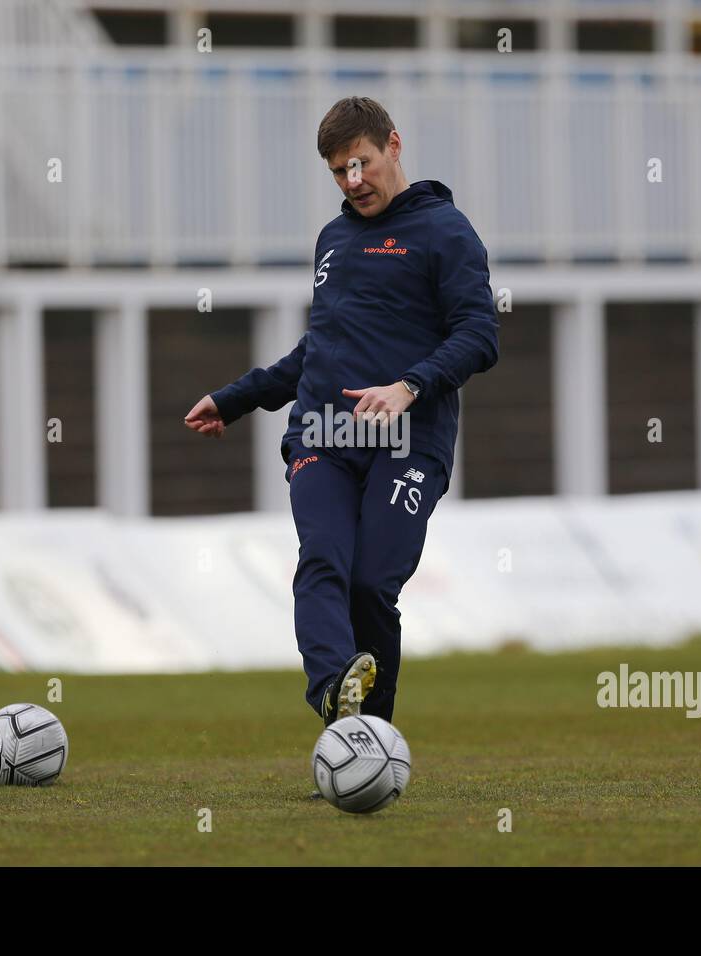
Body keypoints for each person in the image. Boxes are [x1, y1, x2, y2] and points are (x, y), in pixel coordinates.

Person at [184, 95, 499, 729]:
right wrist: (239, 397)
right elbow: (321, 349)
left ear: (394, 146)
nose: (353, 183)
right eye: (338, 172)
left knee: (370, 586)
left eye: (362, 164)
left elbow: (479, 334)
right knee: (322, 560)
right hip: (322, 436)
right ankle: (336, 701)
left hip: (410, 440)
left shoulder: (446, 232)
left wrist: (410, 386)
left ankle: (373, 735)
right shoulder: (333, 239)